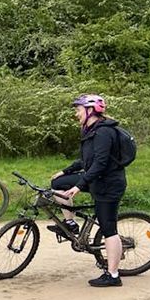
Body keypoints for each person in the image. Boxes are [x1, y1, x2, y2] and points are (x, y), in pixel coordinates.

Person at [50, 94, 127, 287]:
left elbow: (100, 164)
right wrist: (65, 172)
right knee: (59, 184)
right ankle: (70, 223)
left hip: (109, 184)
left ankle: (113, 275)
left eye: (78, 110)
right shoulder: (91, 130)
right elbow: (86, 161)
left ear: (90, 110)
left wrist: (79, 186)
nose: (76, 114)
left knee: (108, 227)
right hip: (97, 180)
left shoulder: (103, 133)